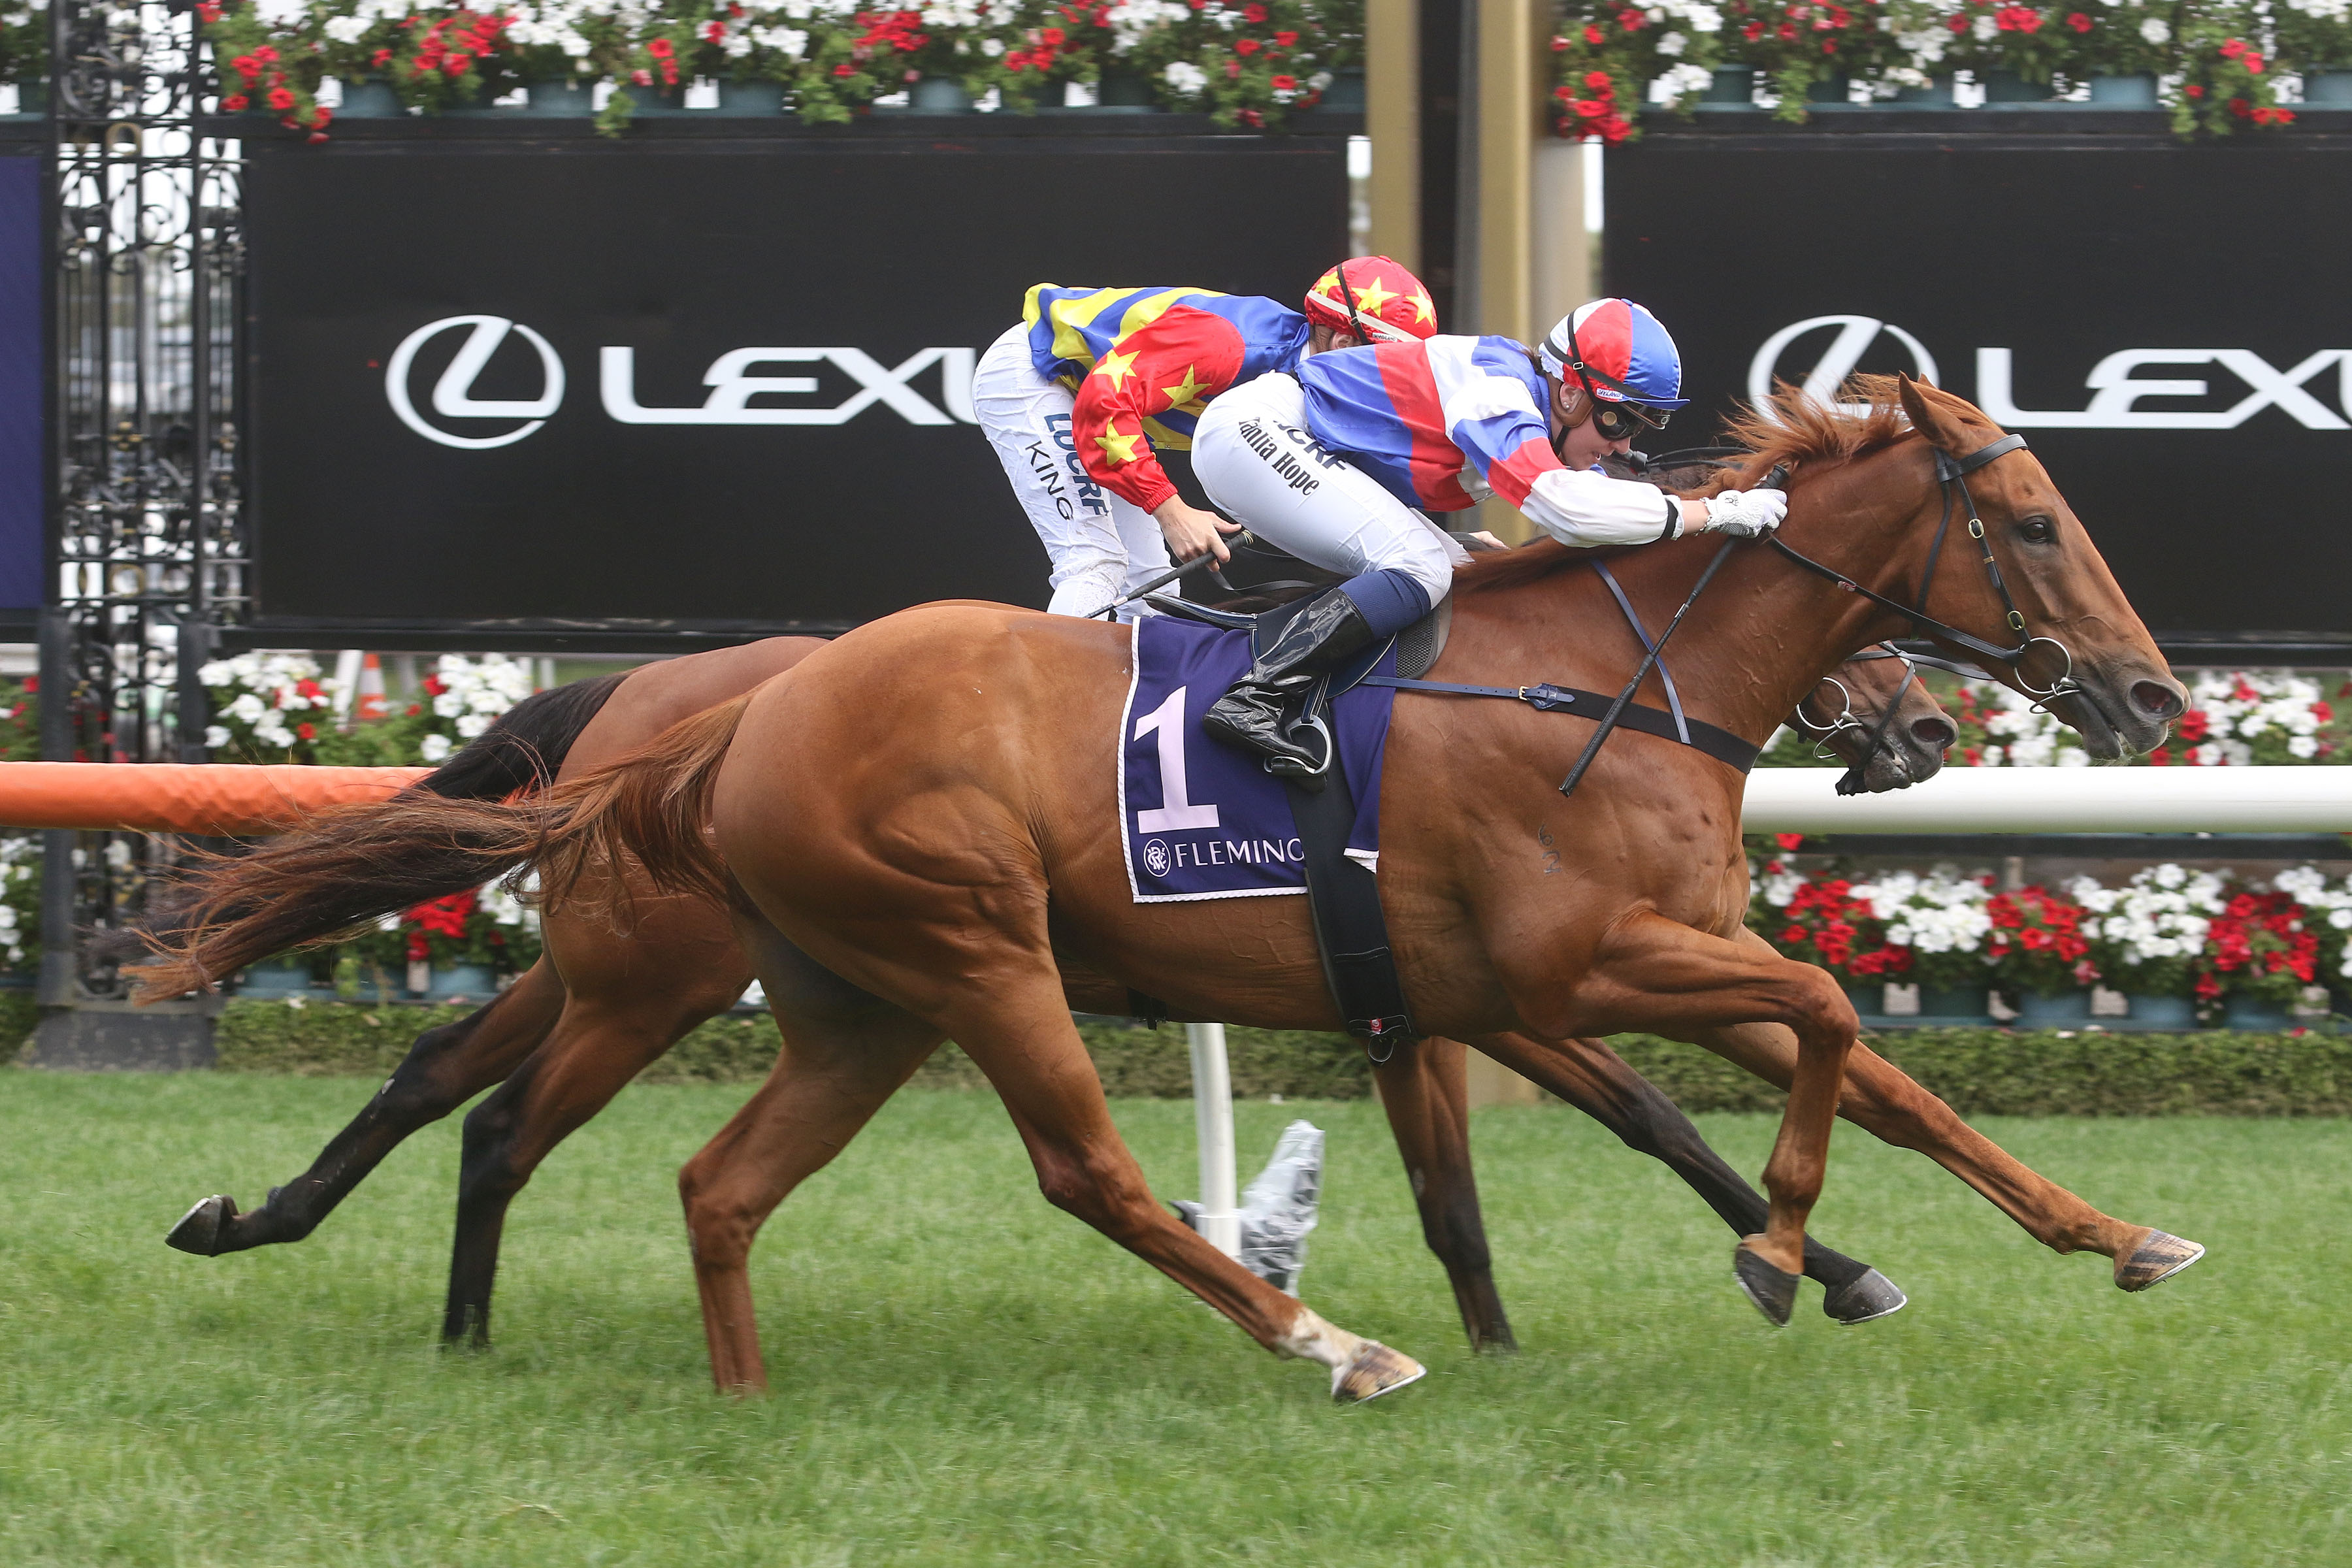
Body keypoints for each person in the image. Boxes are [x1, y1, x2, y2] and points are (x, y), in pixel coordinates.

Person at [1186, 296, 1790, 774]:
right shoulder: (1498, 388)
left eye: (1643, 424)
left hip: (1284, 440)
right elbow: (1567, 511)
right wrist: (1711, 514)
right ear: (1571, 391)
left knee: (1462, 569)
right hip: (1257, 431)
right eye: (1618, 419)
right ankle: (1255, 697)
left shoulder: (1528, 394)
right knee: (1422, 566)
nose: (1623, 445)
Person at [972, 259, 1440, 621]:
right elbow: (1104, 404)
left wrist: (1444, 542)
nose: (1392, 383)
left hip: (1098, 398)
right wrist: (1171, 512)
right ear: (1343, 345)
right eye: (1392, 365)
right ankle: (1048, 717)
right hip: (1041, 375)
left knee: (1154, 583)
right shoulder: (1230, 344)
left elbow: (1354, 475)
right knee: (1095, 563)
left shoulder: (1315, 383)